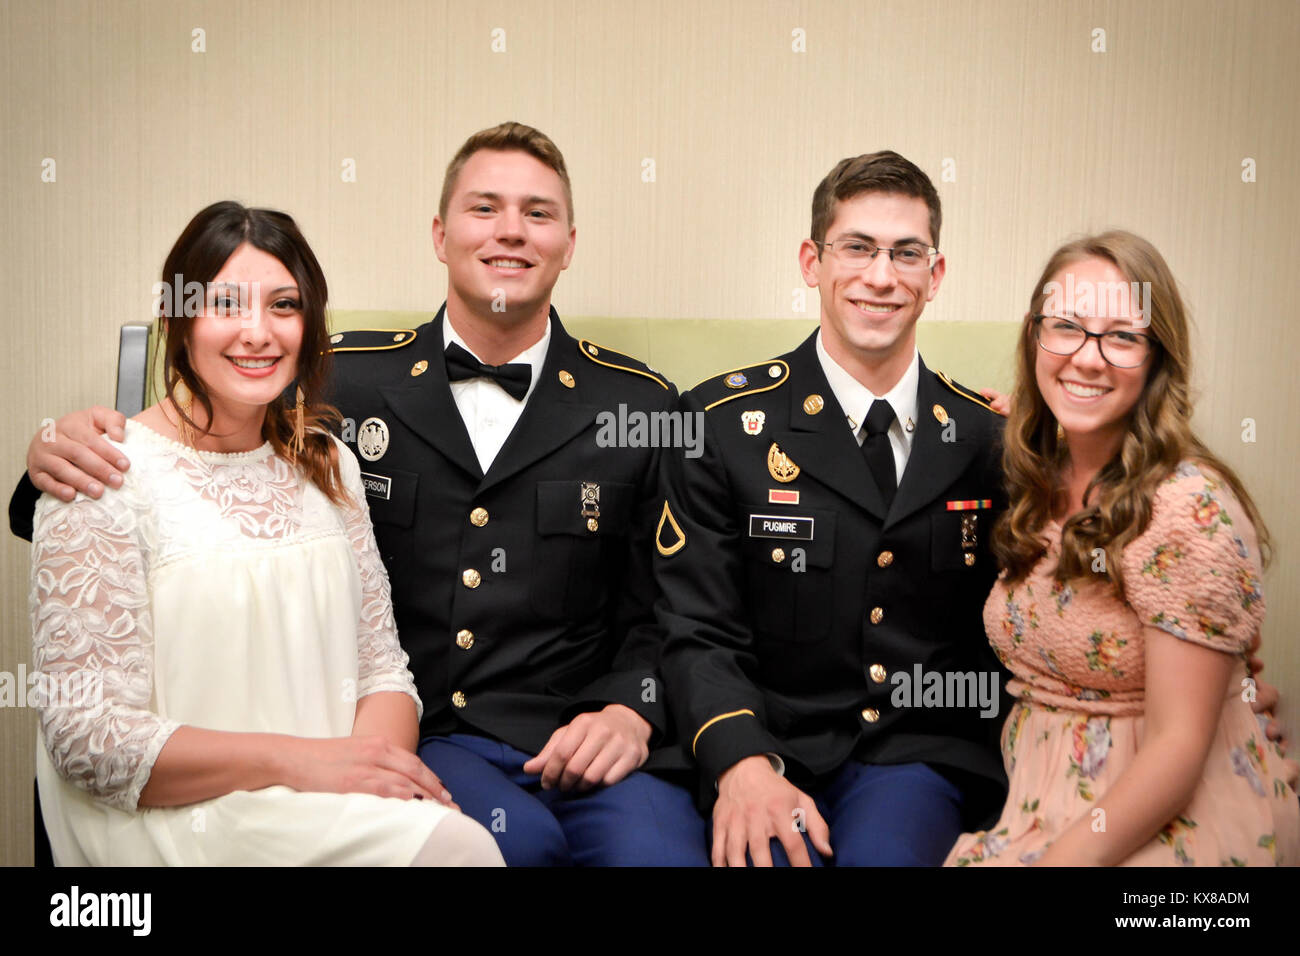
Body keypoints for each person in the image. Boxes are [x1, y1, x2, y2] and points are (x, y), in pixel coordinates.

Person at [14, 123, 709, 866]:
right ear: (440, 235)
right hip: (443, 736)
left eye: (537, 213)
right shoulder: (337, 380)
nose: (510, 231)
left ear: (569, 242)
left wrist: (632, 709)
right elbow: (154, 476)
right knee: (510, 850)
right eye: (484, 209)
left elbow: (669, 595)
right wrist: (48, 455)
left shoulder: (642, 404)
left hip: (588, 735)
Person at [28, 201, 503, 866]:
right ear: (178, 320)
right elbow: (91, 740)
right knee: (461, 850)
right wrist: (312, 766)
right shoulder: (103, 474)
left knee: (451, 841)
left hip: (327, 802)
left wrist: (373, 776)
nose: (259, 332)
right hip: (173, 817)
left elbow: (383, 671)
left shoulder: (331, 463)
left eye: (284, 306)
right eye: (226, 304)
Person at [654, 150, 1012, 867]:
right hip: (770, 741)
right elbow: (698, 630)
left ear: (934, 276)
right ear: (811, 262)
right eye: (857, 248)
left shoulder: (988, 437)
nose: (881, 277)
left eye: (906, 253)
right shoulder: (721, 424)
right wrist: (741, 761)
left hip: (919, 751)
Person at [944, 231, 1299, 866]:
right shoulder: (1035, 477)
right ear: (1034, 337)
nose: (1088, 357)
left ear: (1158, 358)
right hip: (1041, 812)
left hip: (1169, 826)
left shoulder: (1186, 507)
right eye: (1067, 327)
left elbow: (1178, 748)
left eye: (1122, 337)